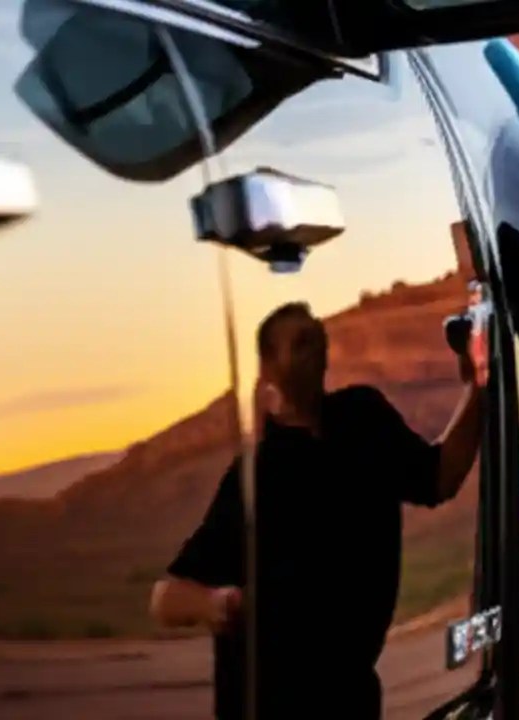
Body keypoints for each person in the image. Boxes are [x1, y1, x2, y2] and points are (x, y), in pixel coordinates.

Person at [148, 301, 483, 719]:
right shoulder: (256, 476)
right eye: (301, 342)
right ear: (269, 367)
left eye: (318, 338)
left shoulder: (364, 419)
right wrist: (218, 603)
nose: (317, 350)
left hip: (350, 700)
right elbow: (165, 599)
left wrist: (479, 388)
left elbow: (440, 478)